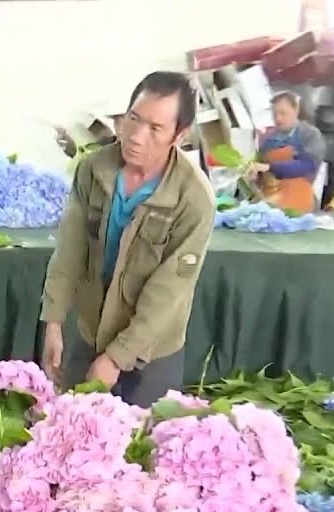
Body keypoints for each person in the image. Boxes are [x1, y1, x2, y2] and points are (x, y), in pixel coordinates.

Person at [40, 71, 215, 409]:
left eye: (155, 128)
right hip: (91, 331)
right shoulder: (94, 170)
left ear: (179, 135)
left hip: (151, 350)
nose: (136, 136)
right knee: (74, 432)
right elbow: (70, 249)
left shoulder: (193, 197)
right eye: (133, 119)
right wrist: (54, 320)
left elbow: (168, 292)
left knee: (142, 446)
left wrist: (118, 357)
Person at [247, 92, 326, 213]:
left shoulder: (310, 135)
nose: (278, 118)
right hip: (270, 197)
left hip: (299, 201)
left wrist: (270, 167)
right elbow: (261, 169)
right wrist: (254, 175)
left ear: (296, 110)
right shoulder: (268, 139)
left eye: (283, 113)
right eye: (274, 114)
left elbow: (308, 165)